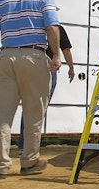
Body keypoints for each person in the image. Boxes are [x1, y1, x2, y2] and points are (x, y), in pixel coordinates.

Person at [0, 0, 61, 178]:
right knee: (34, 112)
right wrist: (56, 54)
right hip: (34, 56)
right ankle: (29, 162)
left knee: (2, 114)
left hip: (5, 57)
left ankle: (0, 166)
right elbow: (51, 27)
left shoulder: (3, 0)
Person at [17, 21, 75, 150]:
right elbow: (66, 50)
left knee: (29, 106)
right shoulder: (57, 28)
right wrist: (71, 68)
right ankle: (30, 145)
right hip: (48, 68)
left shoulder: (32, 26)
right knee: (39, 108)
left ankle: (24, 144)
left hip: (30, 66)